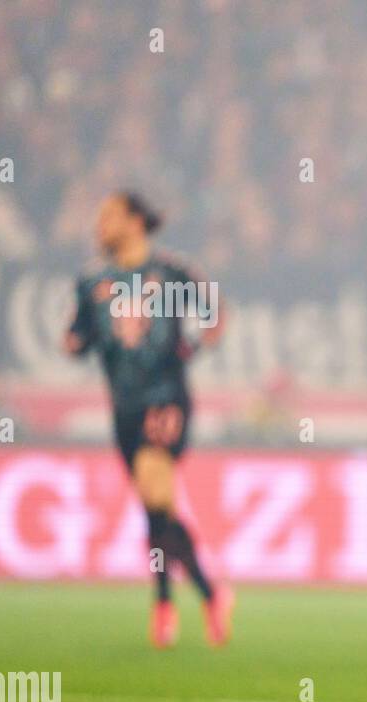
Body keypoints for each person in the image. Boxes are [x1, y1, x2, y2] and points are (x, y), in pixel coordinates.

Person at [64, 192, 233, 649]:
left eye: (109, 216)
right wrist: (74, 344)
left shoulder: (172, 272)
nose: (100, 225)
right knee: (155, 509)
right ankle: (210, 593)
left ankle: (162, 604)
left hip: (166, 400)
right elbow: (77, 334)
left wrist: (193, 347)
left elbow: (215, 316)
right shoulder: (92, 280)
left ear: (136, 222)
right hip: (123, 407)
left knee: (155, 489)